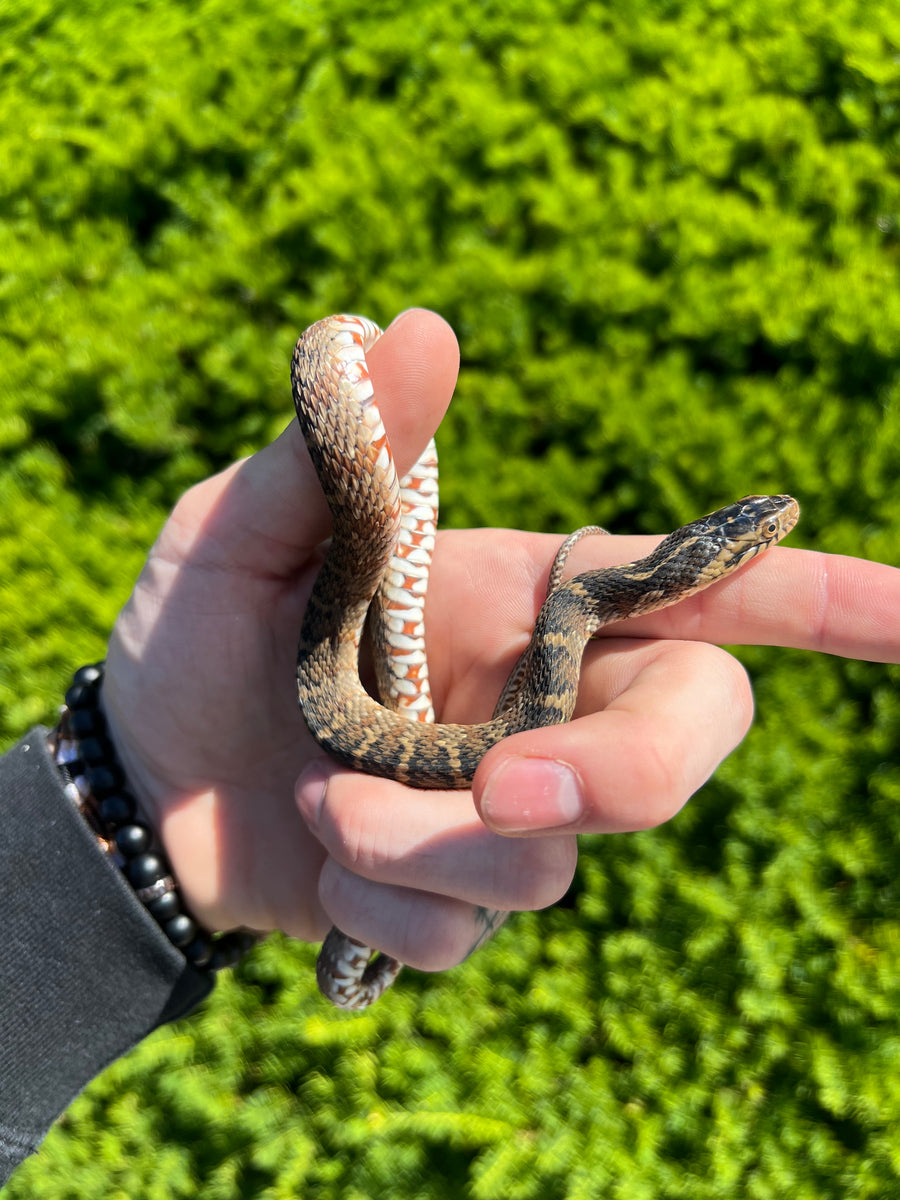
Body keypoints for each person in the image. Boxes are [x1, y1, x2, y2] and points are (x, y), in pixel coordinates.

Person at [2, 309, 898, 1184]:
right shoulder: (577, 599)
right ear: (700, 558)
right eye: (758, 531)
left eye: (764, 531)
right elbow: (566, 600)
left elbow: (574, 606)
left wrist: (131, 803)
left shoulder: (581, 601)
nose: (772, 525)